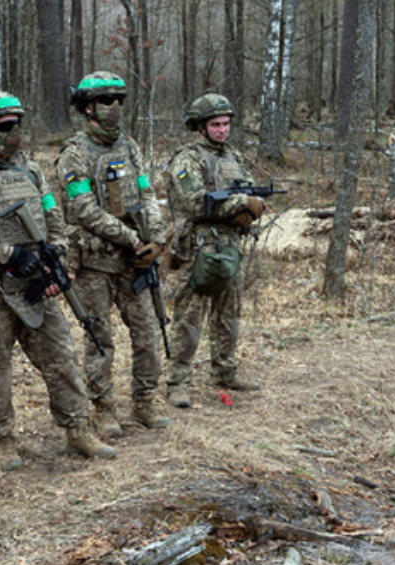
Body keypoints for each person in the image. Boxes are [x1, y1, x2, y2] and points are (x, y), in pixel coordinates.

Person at [0, 91, 116, 470]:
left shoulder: (31, 171)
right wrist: (8, 255)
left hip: (37, 285)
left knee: (62, 357)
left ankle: (77, 428)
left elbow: (54, 220)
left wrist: (57, 263)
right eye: (5, 127)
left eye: (17, 125)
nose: (14, 133)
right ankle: (1, 439)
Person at [54, 71, 171, 437]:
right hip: (94, 265)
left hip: (134, 262)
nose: (114, 107)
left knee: (149, 332)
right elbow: (83, 210)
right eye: (106, 101)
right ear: (88, 108)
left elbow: (146, 193)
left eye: (118, 100)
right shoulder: (74, 154)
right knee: (99, 338)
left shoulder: (129, 146)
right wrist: (129, 238)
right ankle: (103, 407)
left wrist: (156, 238)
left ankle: (145, 401)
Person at [163, 94, 266, 408]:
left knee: (229, 313)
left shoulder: (232, 157)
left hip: (228, 245)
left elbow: (249, 191)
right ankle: (178, 383)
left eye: (226, 124)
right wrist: (240, 204)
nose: (222, 130)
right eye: (215, 125)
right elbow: (195, 200)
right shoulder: (187, 159)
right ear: (201, 126)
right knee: (189, 318)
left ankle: (224, 370)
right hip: (196, 248)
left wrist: (250, 209)